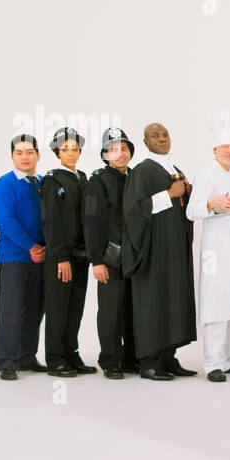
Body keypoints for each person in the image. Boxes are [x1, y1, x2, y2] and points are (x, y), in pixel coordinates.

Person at [123, 122, 197, 380]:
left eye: (165, 134)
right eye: (155, 135)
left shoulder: (175, 169)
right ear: (145, 142)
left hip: (175, 248)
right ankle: (150, 362)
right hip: (153, 250)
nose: (162, 138)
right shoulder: (142, 171)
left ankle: (168, 356)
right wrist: (169, 193)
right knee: (154, 302)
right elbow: (133, 210)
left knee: (173, 301)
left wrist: (187, 193)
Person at [188, 111, 230, 383]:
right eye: (225, 147)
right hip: (214, 248)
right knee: (215, 304)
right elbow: (191, 211)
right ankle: (213, 362)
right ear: (215, 150)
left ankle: (229, 359)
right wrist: (212, 204)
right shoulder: (205, 175)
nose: (229, 151)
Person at [84, 127, 139, 379]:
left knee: (132, 309)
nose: (120, 154)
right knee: (110, 311)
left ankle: (130, 357)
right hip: (110, 256)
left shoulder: (135, 178)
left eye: (124, 148)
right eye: (114, 149)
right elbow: (91, 220)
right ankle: (110, 360)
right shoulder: (97, 182)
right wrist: (97, 260)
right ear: (105, 155)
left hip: (134, 255)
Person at [0, 133, 47, 380]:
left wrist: (43, 248)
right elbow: (6, 221)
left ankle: (26, 356)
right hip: (15, 255)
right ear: (12, 156)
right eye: (19, 152)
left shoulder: (44, 182)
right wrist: (31, 246)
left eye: (29, 152)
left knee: (35, 308)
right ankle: (6, 360)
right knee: (11, 309)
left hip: (42, 255)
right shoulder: (5, 184)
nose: (24, 157)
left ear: (38, 155)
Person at [40, 127, 93, 376]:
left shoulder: (83, 178)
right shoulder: (53, 181)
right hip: (61, 256)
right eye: (65, 149)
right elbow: (51, 221)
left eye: (75, 149)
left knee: (75, 307)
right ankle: (55, 358)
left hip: (81, 255)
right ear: (57, 152)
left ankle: (72, 354)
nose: (70, 153)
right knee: (59, 307)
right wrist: (61, 257)